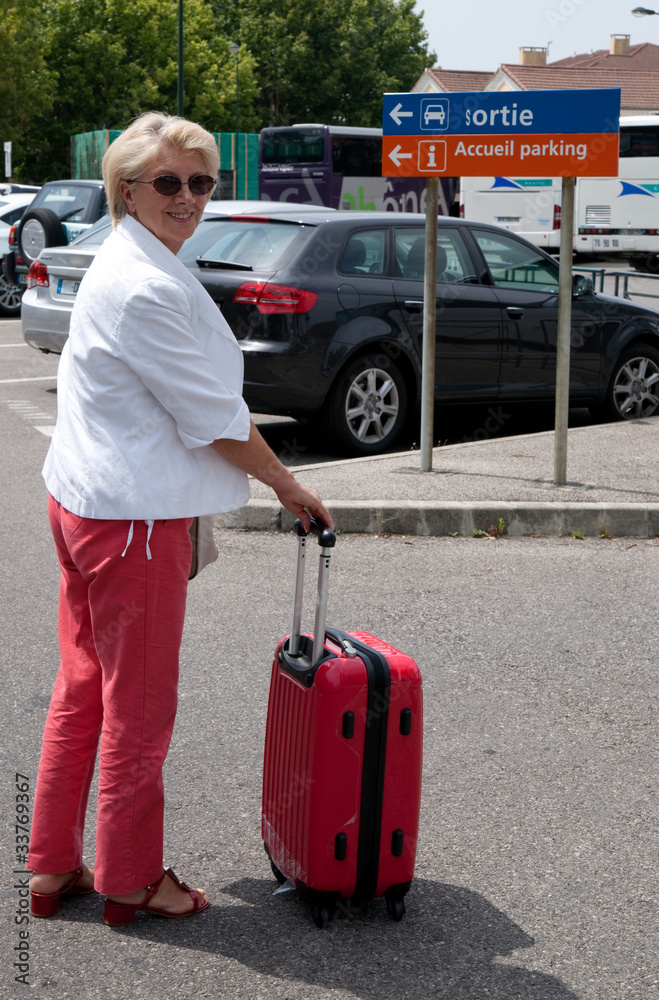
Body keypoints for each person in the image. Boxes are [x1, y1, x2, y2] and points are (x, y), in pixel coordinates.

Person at [27, 111, 332, 926]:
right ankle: (130, 878)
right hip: (130, 521)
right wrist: (285, 484)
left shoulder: (125, 258)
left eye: (201, 182)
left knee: (83, 688)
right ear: (125, 189)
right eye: (168, 181)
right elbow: (214, 419)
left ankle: (54, 864)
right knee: (139, 706)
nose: (188, 197)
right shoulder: (145, 283)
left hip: (86, 503)